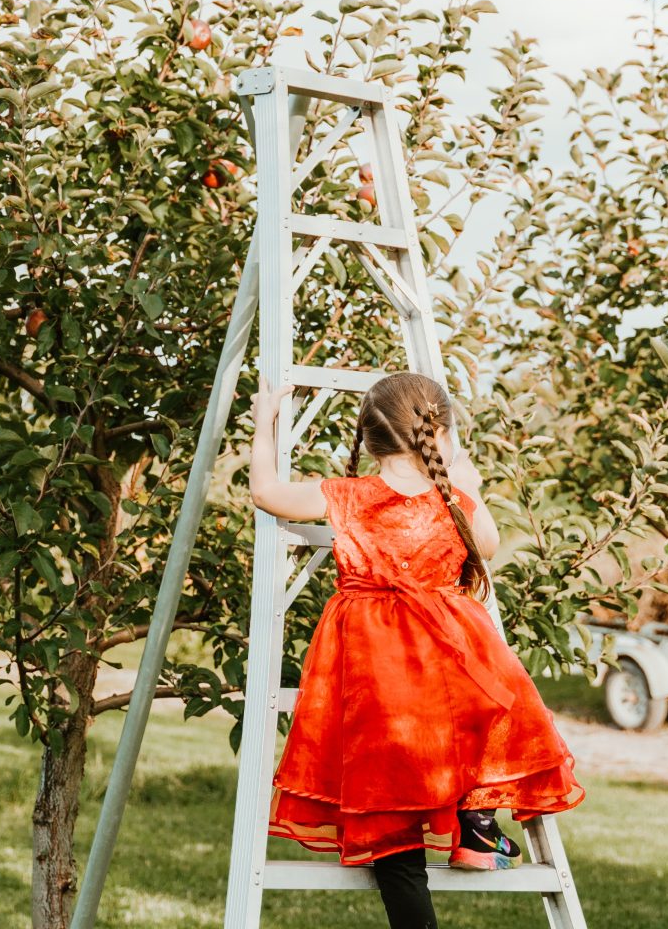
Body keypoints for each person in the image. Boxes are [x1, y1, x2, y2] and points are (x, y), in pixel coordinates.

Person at [249, 370, 584, 929]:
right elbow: (492, 545)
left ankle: (417, 914)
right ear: (440, 433)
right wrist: (459, 464)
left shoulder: (350, 496)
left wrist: (265, 426)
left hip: (375, 664)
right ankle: (477, 826)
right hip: (451, 645)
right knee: (484, 714)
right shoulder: (454, 500)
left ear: (369, 438)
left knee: (387, 791)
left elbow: (267, 494)